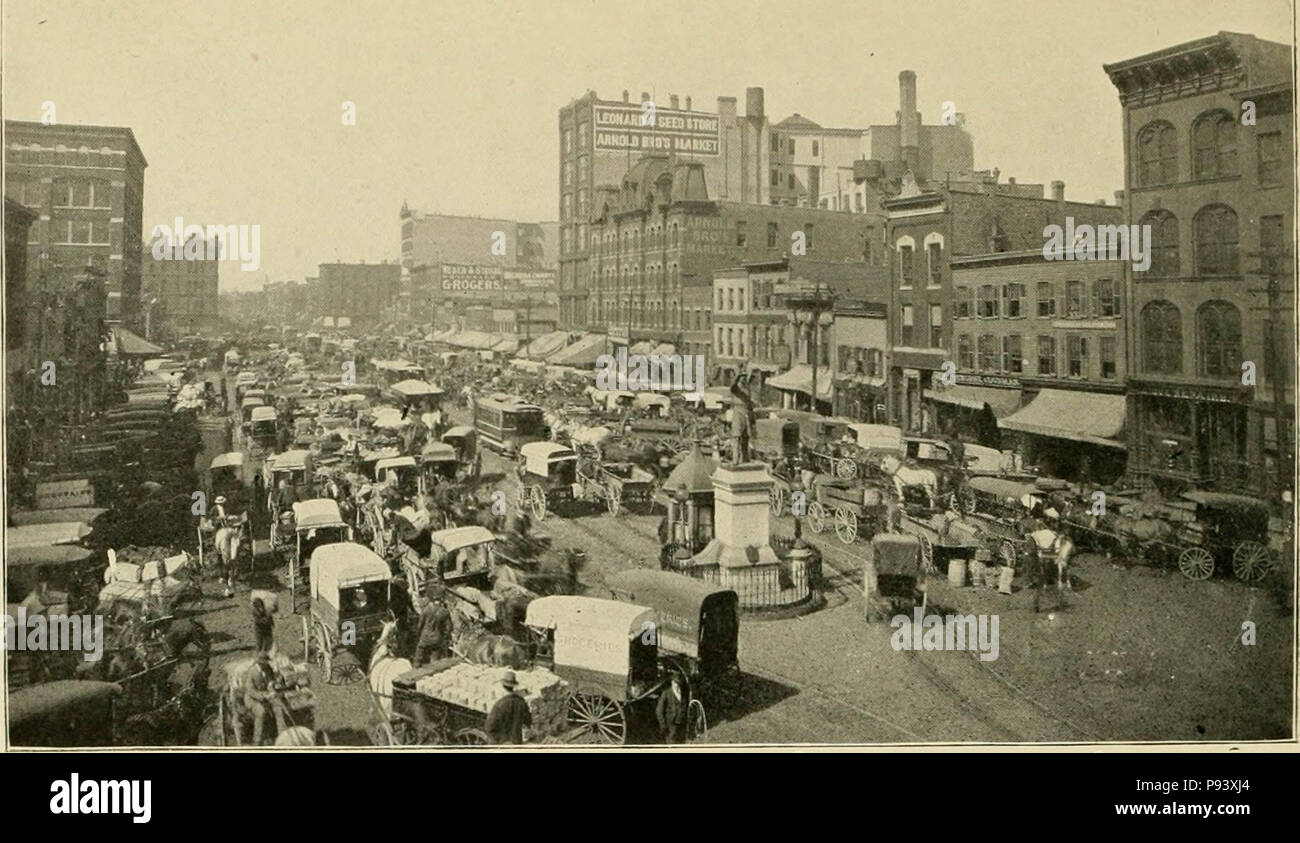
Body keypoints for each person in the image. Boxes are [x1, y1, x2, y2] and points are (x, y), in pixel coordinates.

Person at [245, 652, 285, 746]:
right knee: (261, 712)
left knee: (279, 708)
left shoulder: (268, 668)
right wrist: (263, 696)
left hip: (267, 696)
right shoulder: (252, 672)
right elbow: (250, 690)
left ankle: (280, 736)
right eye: (265, 662)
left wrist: (273, 683)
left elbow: (272, 679)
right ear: (259, 663)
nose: (267, 664)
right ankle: (257, 741)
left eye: (267, 662)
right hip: (252, 699)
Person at [485, 671, 532, 744]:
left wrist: (501, 740)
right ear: (513, 686)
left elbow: (489, 727)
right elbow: (528, 721)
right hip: (517, 742)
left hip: (502, 744)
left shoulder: (500, 704)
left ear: (503, 686)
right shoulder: (521, 702)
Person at [413, 583, 453, 667]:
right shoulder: (444, 611)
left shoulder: (426, 610)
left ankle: (416, 667)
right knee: (436, 659)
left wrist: (419, 636)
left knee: (418, 657)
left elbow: (420, 625)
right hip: (437, 640)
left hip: (425, 638)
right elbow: (449, 628)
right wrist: (444, 638)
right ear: (441, 598)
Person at [655, 674, 689, 744]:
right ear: (672, 682)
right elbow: (659, 710)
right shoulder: (666, 693)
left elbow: (685, 705)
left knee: (681, 743)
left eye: (679, 683)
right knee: (671, 744)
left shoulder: (682, 692)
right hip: (670, 725)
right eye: (675, 683)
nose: (677, 685)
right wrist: (663, 724)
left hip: (681, 724)